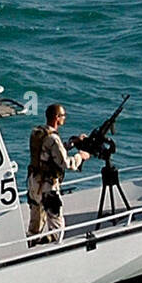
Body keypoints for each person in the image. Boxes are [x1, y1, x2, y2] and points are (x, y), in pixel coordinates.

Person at [27, 104, 90, 243]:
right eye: (63, 115)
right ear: (57, 117)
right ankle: (53, 246)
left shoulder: (37, 132)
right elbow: (66, 163)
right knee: (57, 226)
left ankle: (32, 247)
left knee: (35, 224)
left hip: (33, 183)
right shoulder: (54, 139)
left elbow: (48, 153)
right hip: (48, 187)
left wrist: (72, 143)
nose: (64, 118)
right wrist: (80, 156)